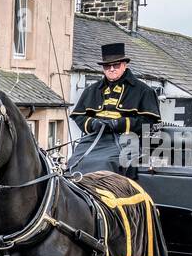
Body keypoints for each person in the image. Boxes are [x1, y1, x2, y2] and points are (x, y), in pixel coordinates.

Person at [69, 42, 162, 177]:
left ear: (124, 65)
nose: (111, 69)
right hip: (95, 139)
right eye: (107, 66)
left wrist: (120, 123)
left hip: (126, 141)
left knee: (104, 163)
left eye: (116, 65)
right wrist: (92, 124)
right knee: (74, 161)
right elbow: (79, 116)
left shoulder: (143, 91)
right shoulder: (92, 90)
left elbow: (151, 123)